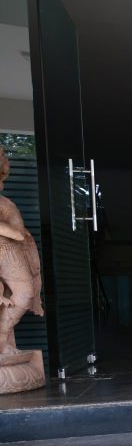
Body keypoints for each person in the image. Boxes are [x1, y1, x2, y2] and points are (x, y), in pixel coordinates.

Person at [0, 147, 44, 355]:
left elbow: (18, 233)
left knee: (25, 294)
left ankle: (3, 334)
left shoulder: (6, 204)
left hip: (8, 251)